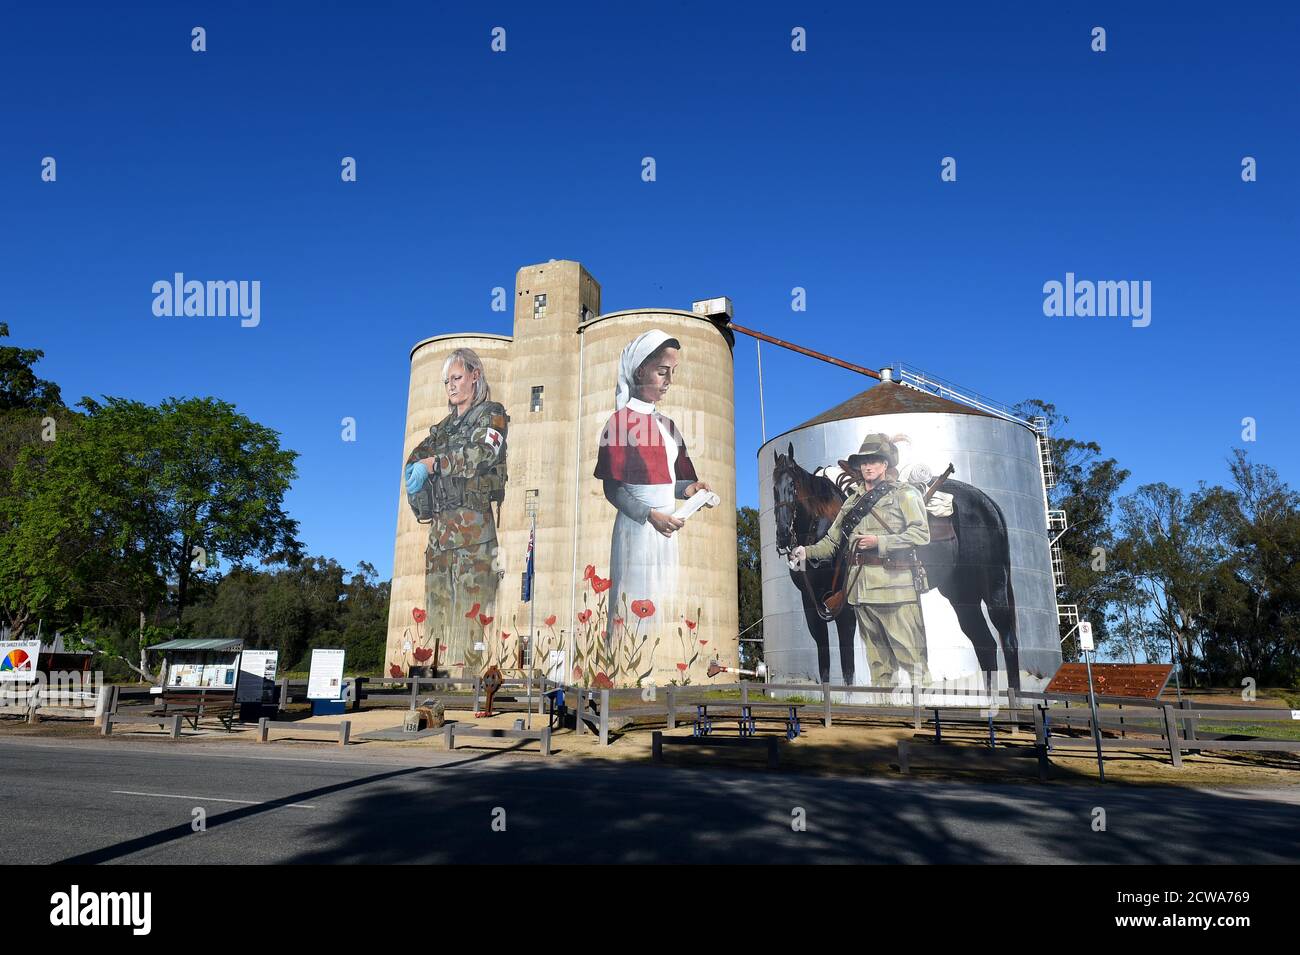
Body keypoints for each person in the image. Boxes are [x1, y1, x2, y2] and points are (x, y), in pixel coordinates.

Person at [594, 330, 712, 651]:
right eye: (662, 371)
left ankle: (661, 674)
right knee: (633, 607)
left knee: (666, 603)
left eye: (672, 372)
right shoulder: (619, 424)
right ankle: (626, 678)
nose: (668, 380)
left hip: (667, 529)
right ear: (640, 371)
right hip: (637, 531)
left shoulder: (669, 426)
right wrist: (650, 516)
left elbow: (670, 481)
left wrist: (691, 490)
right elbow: (613, 488)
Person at [791, 434, 931, 688]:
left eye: (874, 461)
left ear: (885, 464)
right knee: (879, 666)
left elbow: (921, 534)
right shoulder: (851, 502)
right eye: (864, 461)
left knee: (913, 661)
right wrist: (806, 552)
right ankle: (886, 718)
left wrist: (881, 543)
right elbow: (832, 543)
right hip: (862, 592)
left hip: (895, 590)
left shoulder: (905, 494)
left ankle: (927, 719)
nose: (868, 466)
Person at [403, 348, 508, 675]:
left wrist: (437, 464)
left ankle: (472, 691)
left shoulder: (492, 415)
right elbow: (413, 462)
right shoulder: (442, 430)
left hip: (473, 540)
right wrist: (418, 485)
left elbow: (484, 453)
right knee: (436, 624)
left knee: (472, 620)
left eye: (457, 378)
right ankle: (435, 689)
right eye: (447, 380)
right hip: (439, 541)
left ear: (475, 376)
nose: (450, 386)